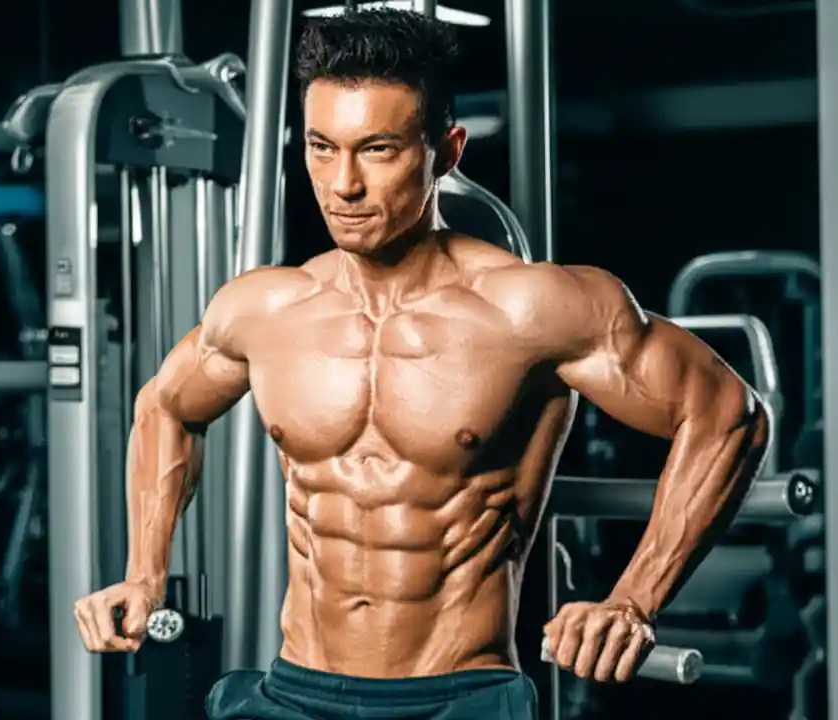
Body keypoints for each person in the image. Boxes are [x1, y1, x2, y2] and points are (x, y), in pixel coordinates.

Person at [73, 8, 771, 719]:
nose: (341, 184)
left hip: (457, 695)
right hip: (293, 688)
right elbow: (164, 405)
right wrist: (144, 575)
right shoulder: (263, 310)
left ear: (446, 150)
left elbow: (727, 417)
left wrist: (633, 601)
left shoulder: (530, 309)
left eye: (377, 150)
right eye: (321, 146)